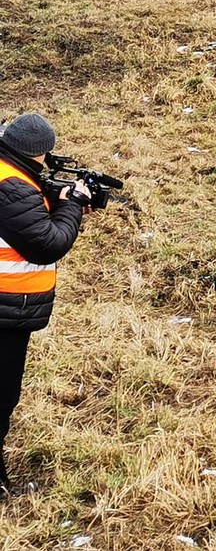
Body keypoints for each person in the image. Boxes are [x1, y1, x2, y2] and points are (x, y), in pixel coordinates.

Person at [0, 114, 90, 494]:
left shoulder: (9, 175)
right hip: (6, 307)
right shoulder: (13, 185)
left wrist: (53, 199)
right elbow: (46, 243)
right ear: (38, 153)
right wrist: (73, 207)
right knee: (1, 394)